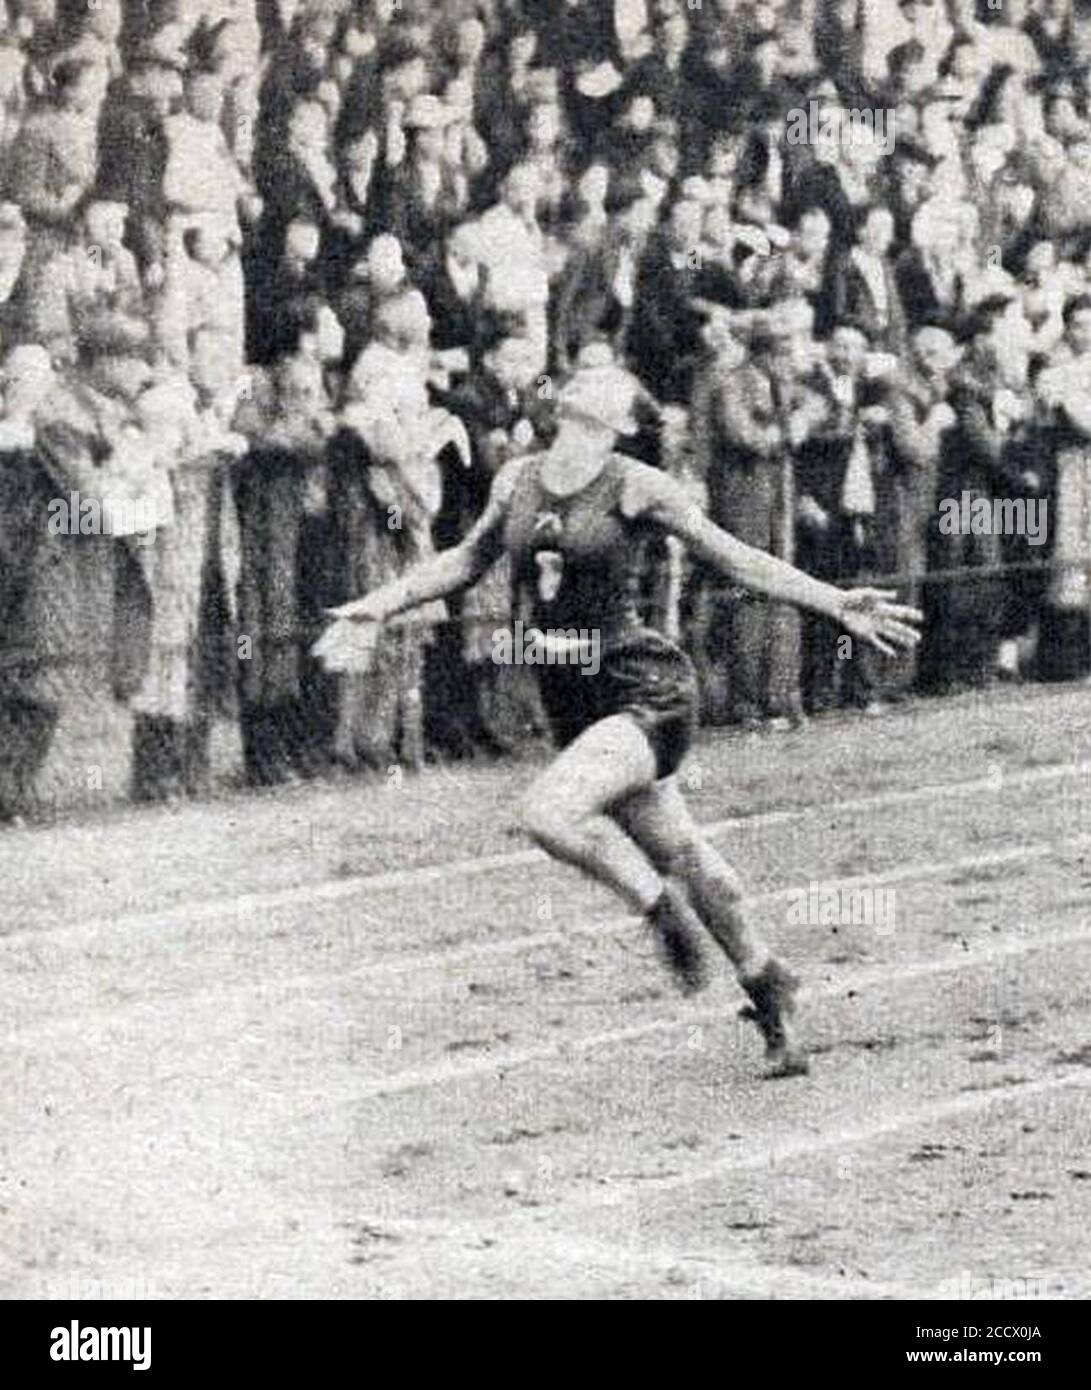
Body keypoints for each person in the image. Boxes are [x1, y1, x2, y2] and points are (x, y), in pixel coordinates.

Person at [315, 359, 921, 1079]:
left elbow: (735, 559)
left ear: (624, 421)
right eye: (582, 371)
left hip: (643, 688)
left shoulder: (637, 484)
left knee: (547, 813)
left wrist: (832, 601)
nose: (587, 376)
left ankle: (658, 910)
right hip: (573, 698)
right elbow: (465, 559)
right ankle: (768, 984)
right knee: (696, 863)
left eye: (608, 376)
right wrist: (377, 605)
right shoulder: (517, 476)